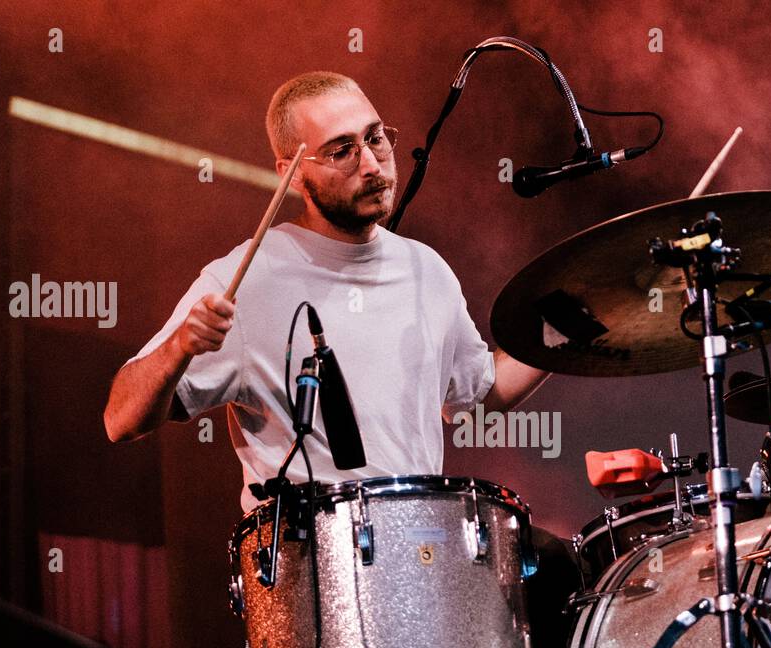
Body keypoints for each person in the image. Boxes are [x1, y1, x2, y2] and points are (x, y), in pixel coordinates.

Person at [102, 71, 550, 512]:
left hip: (420, 548)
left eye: (375, 138)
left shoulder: (426, 269)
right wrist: (180, 346)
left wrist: (569, 334)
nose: (372, 165)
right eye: (342, 151)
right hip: (308, 560)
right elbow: (121, 419)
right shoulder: (244, 279)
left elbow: (473, 401)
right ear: (293, 174)